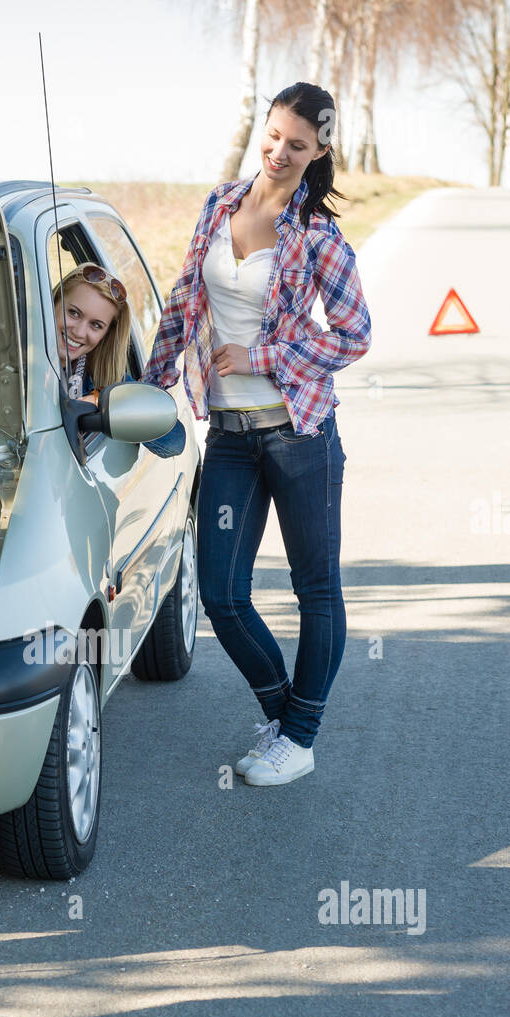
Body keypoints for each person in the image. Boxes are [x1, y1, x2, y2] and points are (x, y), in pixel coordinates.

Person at [142, 82, 371, 785]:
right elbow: (184, 296)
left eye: (296, 145)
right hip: (232, 435)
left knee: (315, 588)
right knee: (221, 590)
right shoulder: (219, 204)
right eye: (272, 136)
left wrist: (262, 358)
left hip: (299, 434)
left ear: (320, 152)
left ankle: (298, 738)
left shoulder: (319, 236)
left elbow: (355, 334)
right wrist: (147, 389)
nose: (277, 152)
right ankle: (283, 715)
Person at [52, 263, 185, 458]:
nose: (79, 332)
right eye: (73, 313)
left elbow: (174, 441)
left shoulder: (98, 379)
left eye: (96, 325)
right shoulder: (5, 358)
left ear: (107, 335)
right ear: (52, 303)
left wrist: (101, 400)